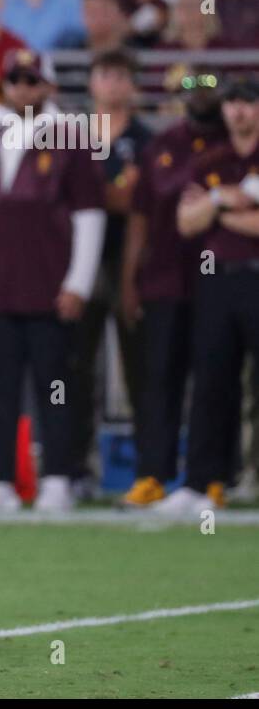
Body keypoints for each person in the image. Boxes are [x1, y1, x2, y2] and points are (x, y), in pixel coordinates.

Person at [0, 50, 107, 513]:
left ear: (49, 87)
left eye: (31, 81)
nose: (22, 89)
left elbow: (90, 214)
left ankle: (58, 475)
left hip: (48, 284)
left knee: (54, 385)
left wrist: (79, 282)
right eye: (15, 81)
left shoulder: (72, 138)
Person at [119, 69, 223, 508]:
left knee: (215, 380)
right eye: (188, 87)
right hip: (164, 279)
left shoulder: (235, 145)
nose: (197, 95)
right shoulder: (161, 146)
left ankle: (213, 477)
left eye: (207, 87)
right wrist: (128, 279)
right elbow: (140, 216)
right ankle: (153, 475)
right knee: (159, 379)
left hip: (219, 282)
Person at [166, 74, 259, 517]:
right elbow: (186, 222)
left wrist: (217, 212)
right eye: (232, 103)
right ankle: (203, 481)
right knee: (211, 380)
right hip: (217, 279)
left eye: (248, 103)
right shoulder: (213, 161)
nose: (239, 111)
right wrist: (227, 198)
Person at [69, 50, 155, 482]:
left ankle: (149, 469)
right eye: (105, 74)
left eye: (122, 75)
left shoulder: (145, 138)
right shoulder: (72, 134)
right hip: (79, 261)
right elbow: (73, 196)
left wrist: (95, 192)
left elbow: (136, 201)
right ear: (91, 83)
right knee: (75, 367)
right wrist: (112, 190)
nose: (113, 83)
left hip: (130, 258)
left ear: (133, 85)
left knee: (138, 365)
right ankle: (77, 467)